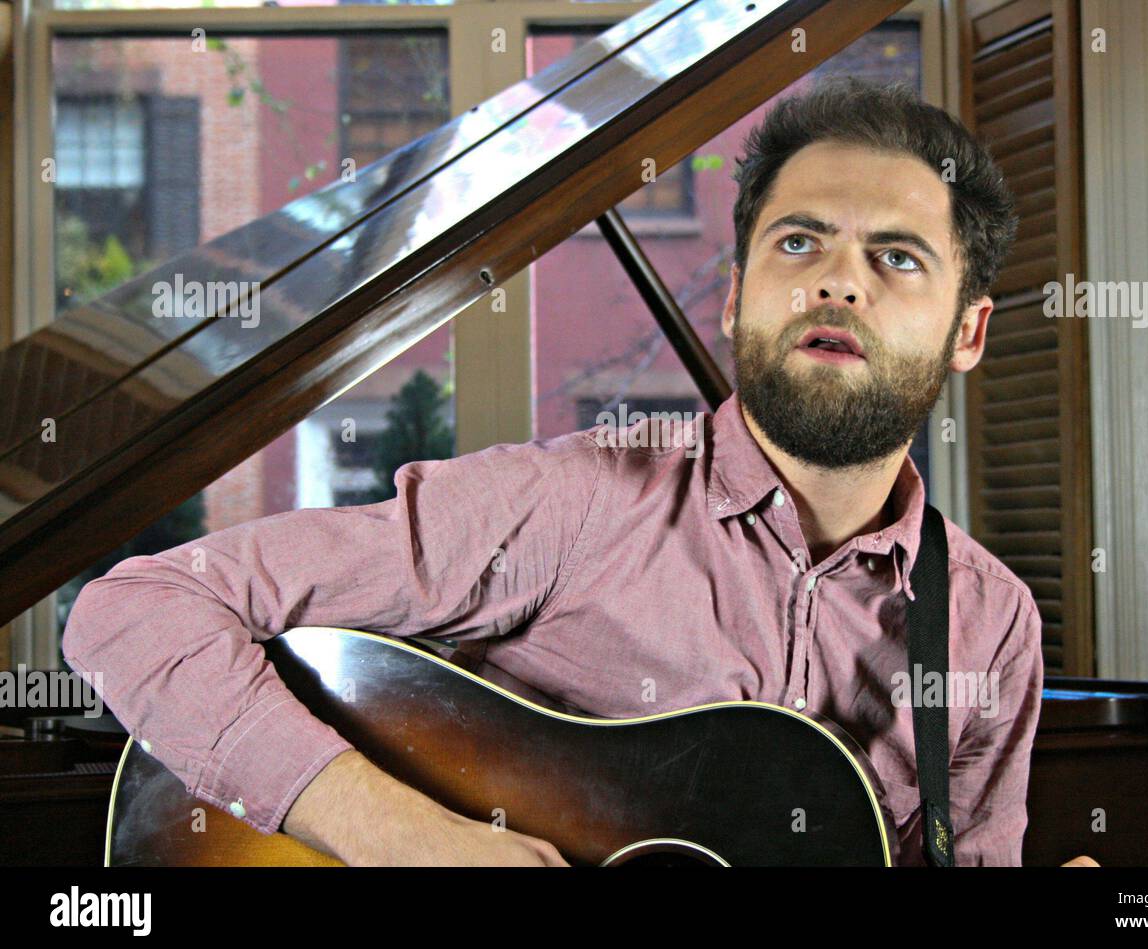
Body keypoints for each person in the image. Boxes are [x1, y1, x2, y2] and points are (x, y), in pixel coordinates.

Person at [63, 77, 1093, 867]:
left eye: (897, 258)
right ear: (736, 298)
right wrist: (409, 837)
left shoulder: (989, 624)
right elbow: (133, 611)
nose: (836, 280)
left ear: (969, 331)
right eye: (799, 240)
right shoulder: (567, 506)